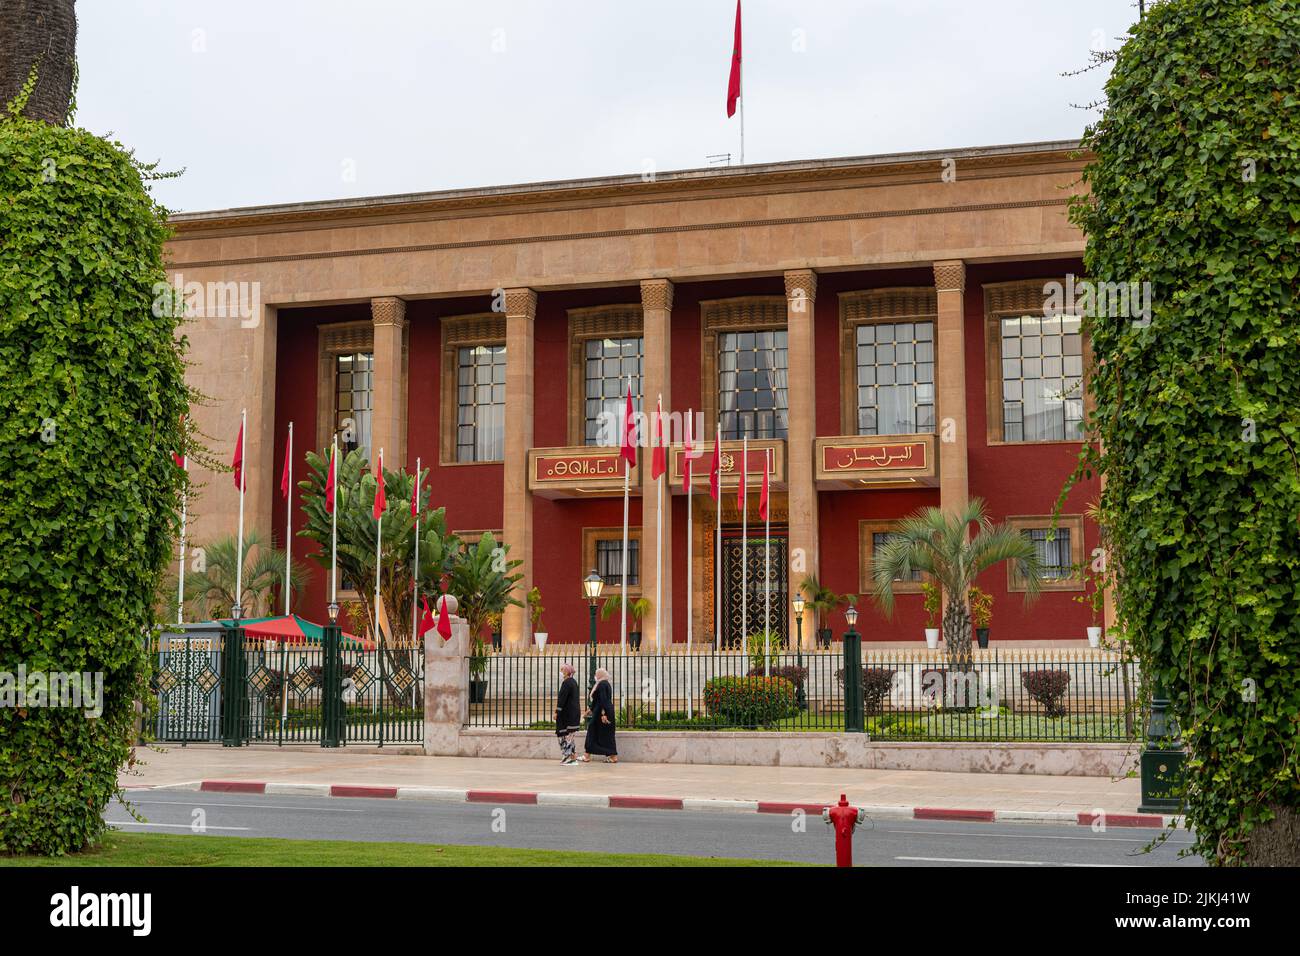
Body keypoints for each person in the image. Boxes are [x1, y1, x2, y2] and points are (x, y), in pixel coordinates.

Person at [581, 667, 618, 763]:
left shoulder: (601, 684)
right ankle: (612, 756)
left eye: (597, 674)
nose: (595, 676)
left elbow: (603, 700)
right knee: (605, 734)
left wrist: (603, 713)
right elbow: (598, 700)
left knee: (593, 731)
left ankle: (587, 755)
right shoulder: (605, 684)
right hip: (602, 711)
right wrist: (590, 710)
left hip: (601, 713)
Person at [554, 663, 581, 765]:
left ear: (566, 672)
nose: (561, 672)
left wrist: (557, 711)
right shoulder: (573, 682)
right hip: (573, 714)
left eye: (562, 670)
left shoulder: (567, 683)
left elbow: (562, 699)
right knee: (569, 736)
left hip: (567, 715)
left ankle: (568, 757)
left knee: (565, 736)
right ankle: (572, 757)